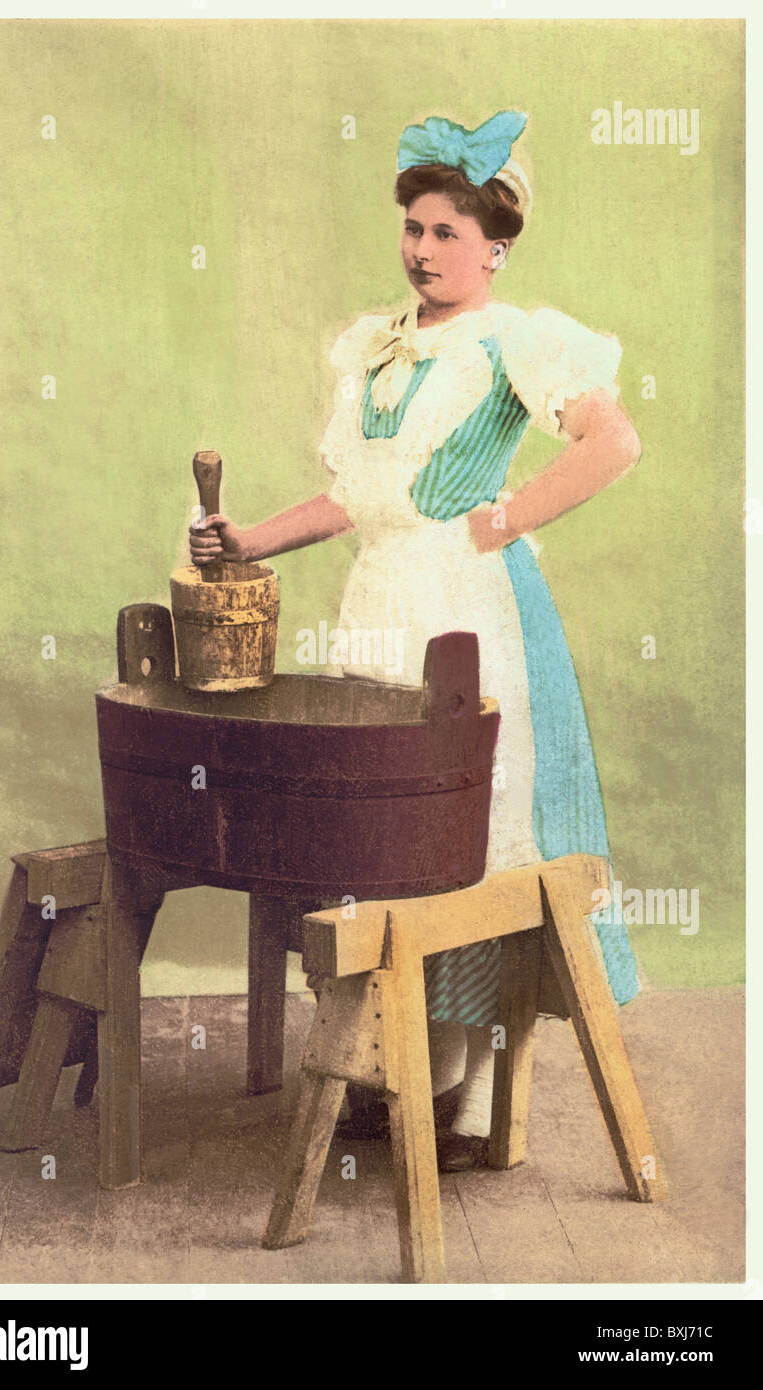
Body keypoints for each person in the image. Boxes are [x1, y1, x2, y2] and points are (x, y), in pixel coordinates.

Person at [189, 110, 643, 1171]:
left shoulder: (512, 337)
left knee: (471, 843)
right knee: (379, 836)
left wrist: (507, 517)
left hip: (469, 616)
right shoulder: (379, 346)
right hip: (378, 612)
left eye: (446, 231)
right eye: (413, 227)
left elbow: (611, 440)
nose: (423, 249)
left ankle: (461, 1081)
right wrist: (250, 536)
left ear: (493, 246)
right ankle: (400, 1064)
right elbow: (356, 496)